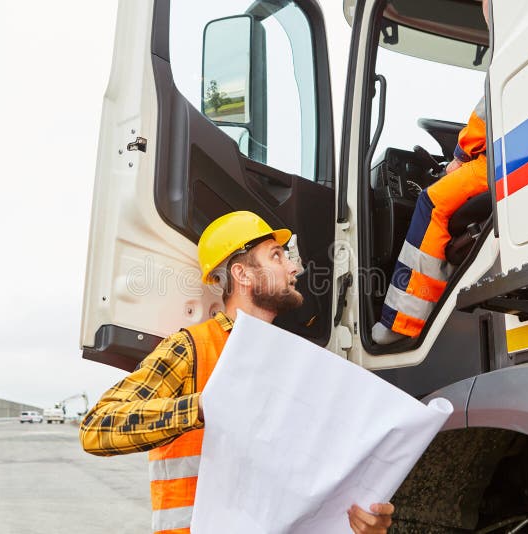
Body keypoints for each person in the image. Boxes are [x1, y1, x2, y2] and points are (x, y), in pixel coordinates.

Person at [80, 210, 394, 534]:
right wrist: (202, 406)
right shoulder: (191, 349)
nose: (293, 267)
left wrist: (355, 520)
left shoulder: (295, 364)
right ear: (242, 274)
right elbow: (97, 428)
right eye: (277, 256)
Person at [372, 0, 490, 344]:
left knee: (432, 201)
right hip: (520, 153)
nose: (485, 8)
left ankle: (401, 320)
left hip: (502, 163)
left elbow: (486, 113)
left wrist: (459, 156)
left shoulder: (513, 41)